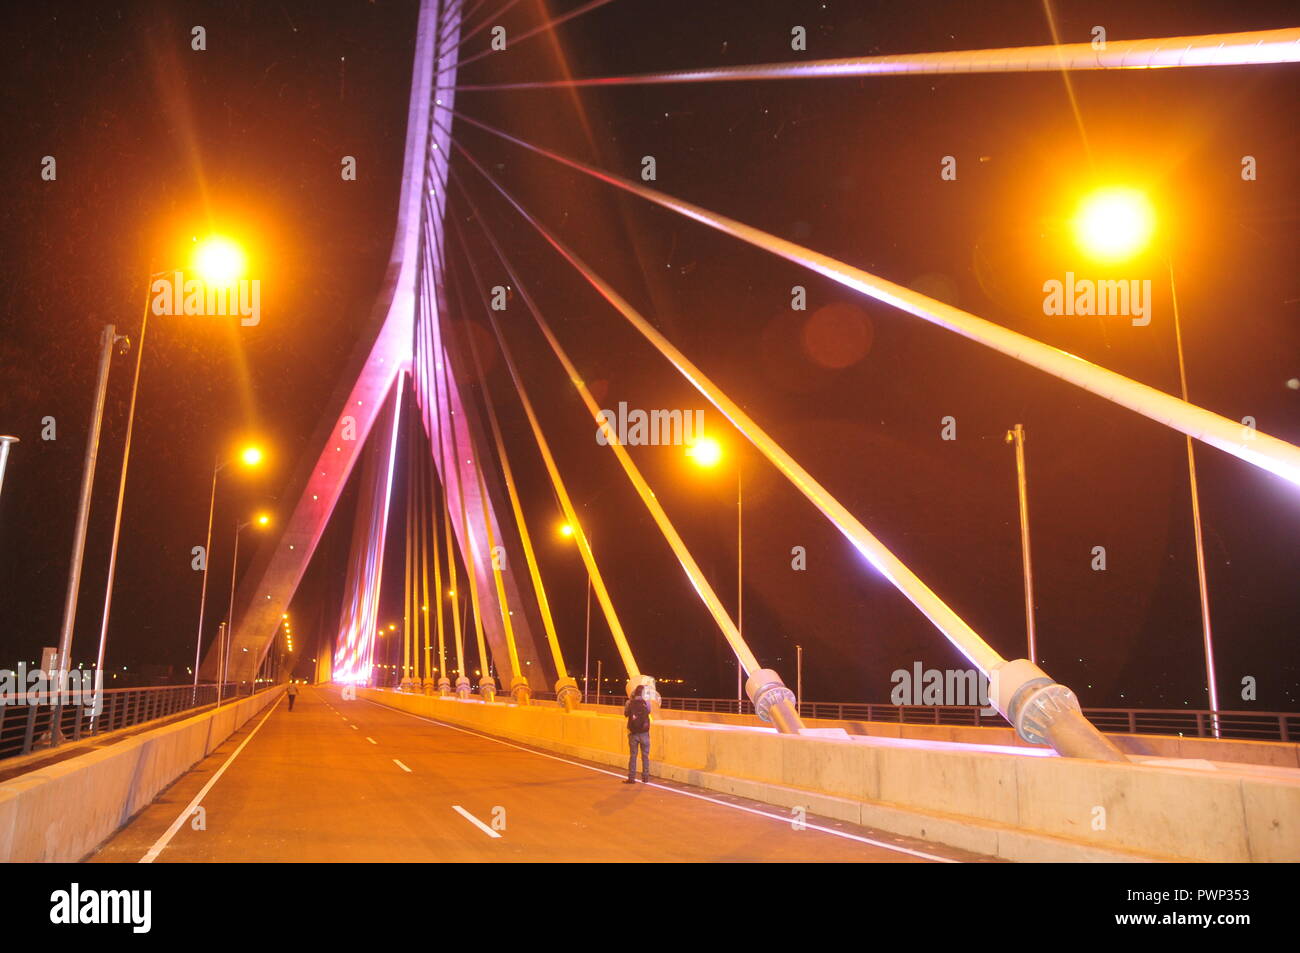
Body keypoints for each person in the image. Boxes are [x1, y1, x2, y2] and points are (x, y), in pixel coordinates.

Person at [623, 685, 651, 783]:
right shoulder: (647, 703)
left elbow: (626, 714)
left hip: (633, 733)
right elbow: (649, 712)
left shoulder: (629, 702)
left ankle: (631, 778)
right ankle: (645, 777)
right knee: (645, 756)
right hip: (644, 733)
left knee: (633, 756)